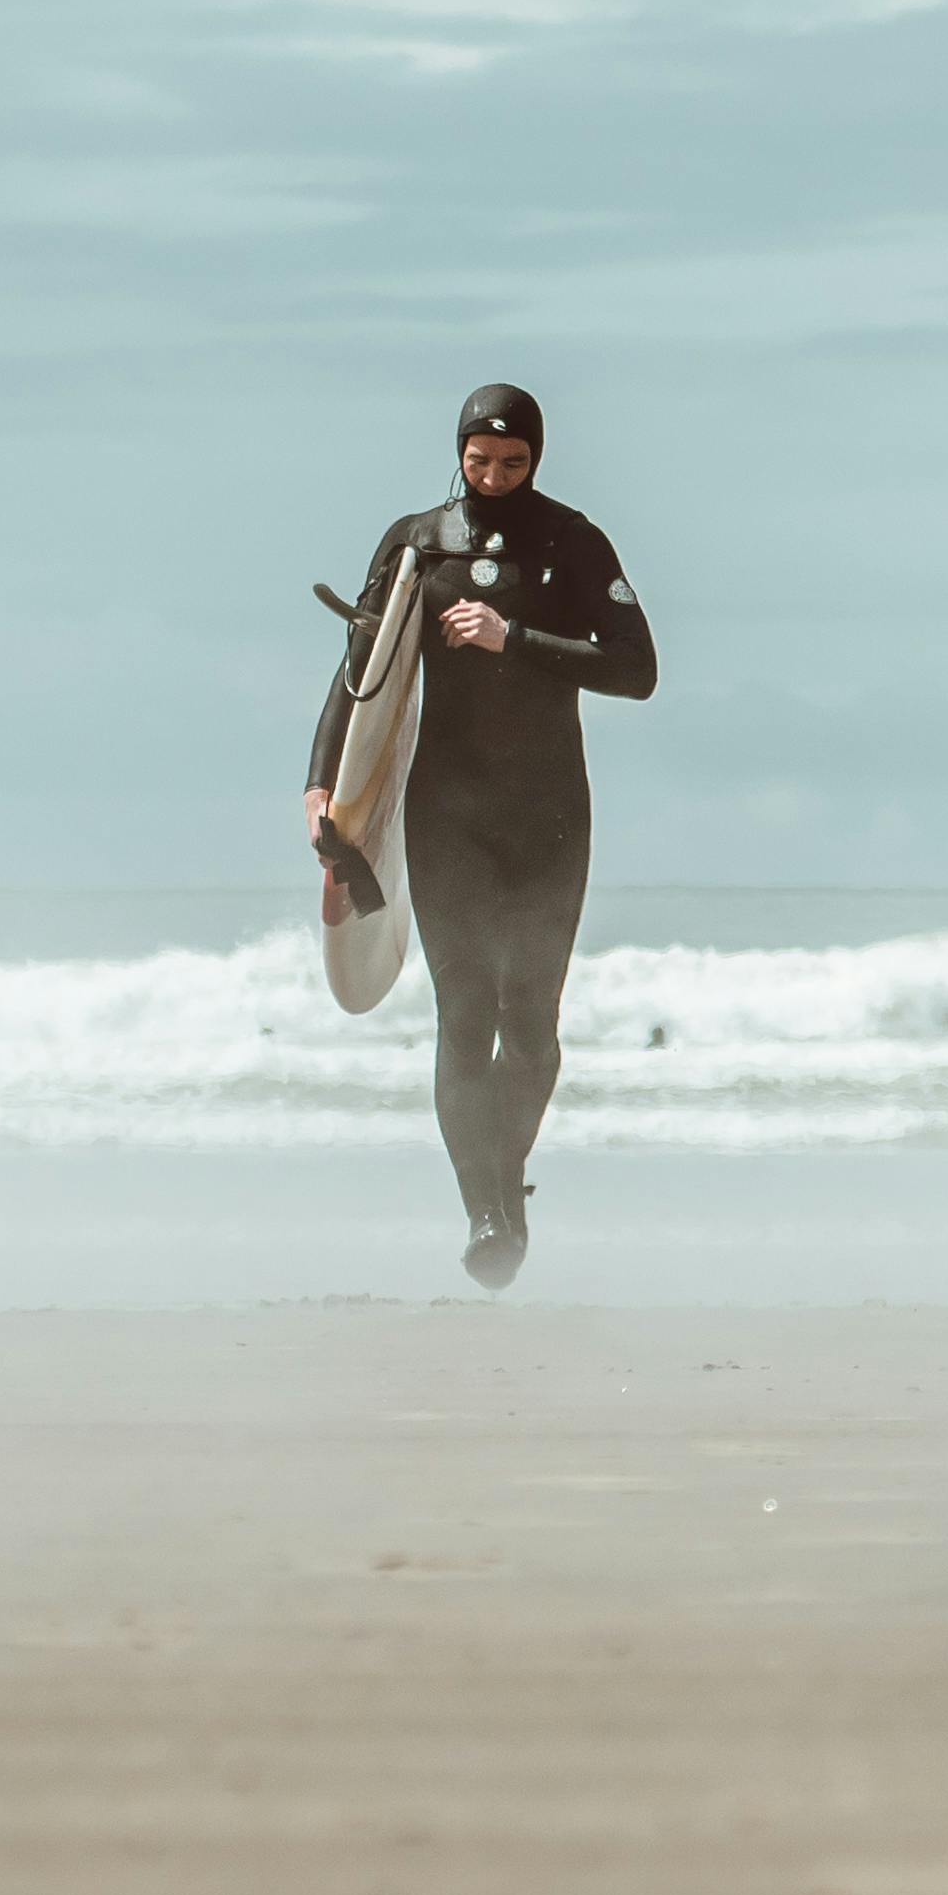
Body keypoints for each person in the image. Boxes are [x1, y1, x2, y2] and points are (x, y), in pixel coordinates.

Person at [307, 383, 654, 1286]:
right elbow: (360, 677)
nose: (494, 477)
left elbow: (635, 670)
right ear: (457, 451)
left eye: (513, 463)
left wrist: (516, 639)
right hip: (446, 814)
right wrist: (323, 788)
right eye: (478, 460)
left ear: (536, 457)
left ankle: (504, 1177)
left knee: (530, 1026)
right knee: (464, 1018)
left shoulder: (572, 543)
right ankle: (488, 1214)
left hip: (547, 816)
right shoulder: (417, 543)